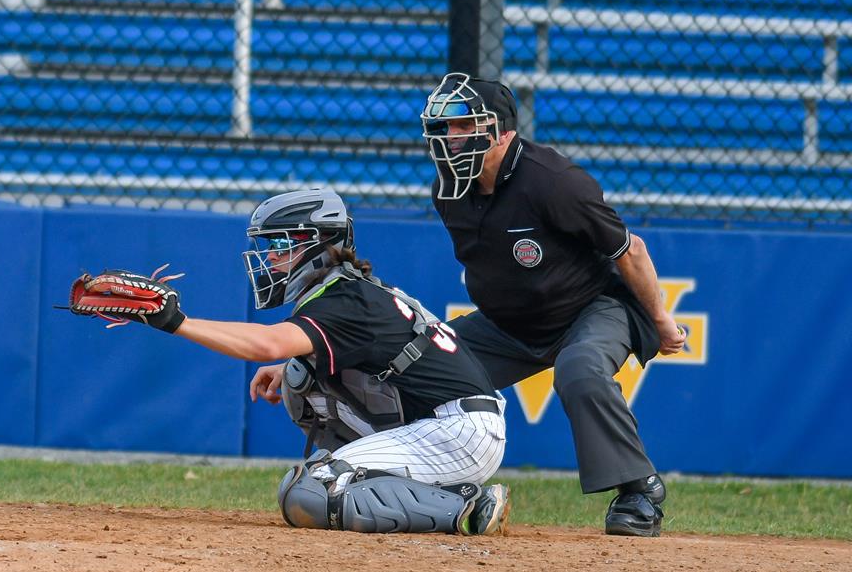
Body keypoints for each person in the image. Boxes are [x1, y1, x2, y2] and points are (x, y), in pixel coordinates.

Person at [66, 187, 513, 537]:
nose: (273, 259)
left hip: (458, 432)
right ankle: (428, 492)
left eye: (283, 245)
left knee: (310, 492)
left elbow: (265, 344)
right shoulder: (348, 288)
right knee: (299, 378)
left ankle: (467, 507)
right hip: (451, 423)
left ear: (320, 244)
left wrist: (176, 322)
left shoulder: (345, 297)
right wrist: (286, 368)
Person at [419, 73, 689, 537]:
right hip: (510, 324)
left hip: (590, 308)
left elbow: (632, 251)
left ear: (501, 132)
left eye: (465, 127)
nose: (451, 138)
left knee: (580, 369)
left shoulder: (552, 180)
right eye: (446, 128)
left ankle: (639, 490)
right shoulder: (448, 188)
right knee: (421, 365)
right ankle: (422, 485)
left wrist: (662, 322)